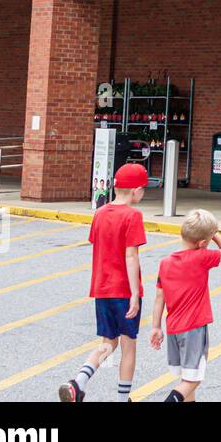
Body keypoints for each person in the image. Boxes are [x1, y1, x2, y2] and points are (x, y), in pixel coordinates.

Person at [59, 163, 148, 402]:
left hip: (102, 288)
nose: (143, 194)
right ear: (135, 190)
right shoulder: (133, 216)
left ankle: (79, 382)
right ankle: (122, 399)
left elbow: (96, 243)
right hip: (123, 289)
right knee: (129, 345)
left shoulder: (100, 212)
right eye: (143, 190)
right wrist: (134, 294)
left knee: (108, 342)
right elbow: (131, 255)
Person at [149, 209, 221, 402]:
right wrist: (215, 234)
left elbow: (159, 297)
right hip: (194, 329)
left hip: (173, 329)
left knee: (186, 376)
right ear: (203, 243)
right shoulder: (202, 257)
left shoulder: (165, 263)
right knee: (193, 380)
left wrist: (156, 327)